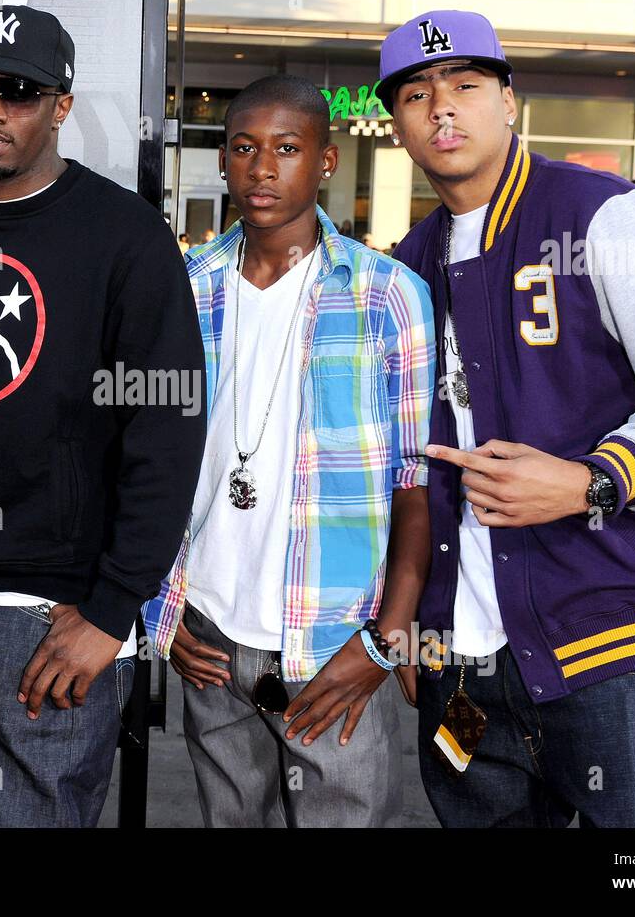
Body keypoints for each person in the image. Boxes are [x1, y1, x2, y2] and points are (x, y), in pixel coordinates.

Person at [381, 9, 635, 827]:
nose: (443, 108)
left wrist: (594, 479)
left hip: (612, 636)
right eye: (417, 94)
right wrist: (411, 615)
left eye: (466, 85)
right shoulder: (404, 266)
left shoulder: (606, 217)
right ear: (398, 123)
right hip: (460, 657)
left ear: (509, 102)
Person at [0, 4, 206, 827]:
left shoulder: (125, 236)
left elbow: (166, 431)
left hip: (52, 618)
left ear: (61, 105)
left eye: (18, 91)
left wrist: (114, 609)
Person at [142, 75, 435, 827]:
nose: (262, 169)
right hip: (208, 630)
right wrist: (163, 615)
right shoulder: (185, 287)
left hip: (334, 638)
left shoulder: (386, 295)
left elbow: (416, 480)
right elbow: (145, 460)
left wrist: (386, 641)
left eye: (286, 149)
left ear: (326, 163)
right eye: (243, 147)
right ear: (222, 160)